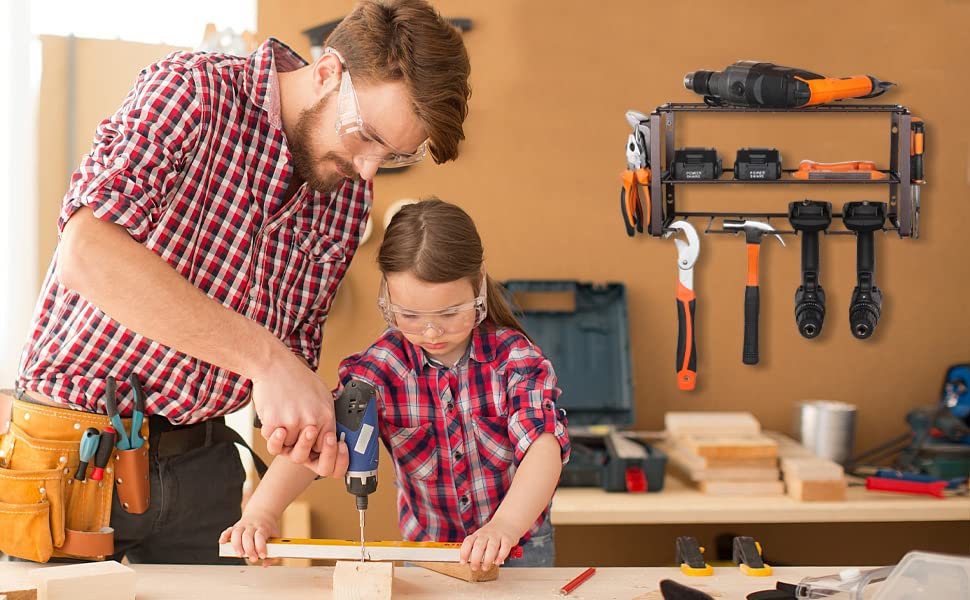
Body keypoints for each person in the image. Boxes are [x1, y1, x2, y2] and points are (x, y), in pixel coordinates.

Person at [3, 0, 470, 564]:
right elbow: (88, 252)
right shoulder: (193, 93)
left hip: (204, 463)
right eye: (364, 135)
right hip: (75, 452)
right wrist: (267, 362)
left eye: (393, 156)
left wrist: (299, 427)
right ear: (327, 73)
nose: (368, 168)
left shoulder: (345, 198)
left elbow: (288, 360)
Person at [221, 198, 571, 569]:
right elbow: (321, 440)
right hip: (427, 552)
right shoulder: (381, 369)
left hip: (515, 547)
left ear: (478, 285)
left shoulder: (515, 360)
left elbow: (542, 446)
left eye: (450, 313)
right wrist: (262, 512)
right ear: (389, 295)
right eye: (410, 316)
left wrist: (505, 525)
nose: (432, 331)